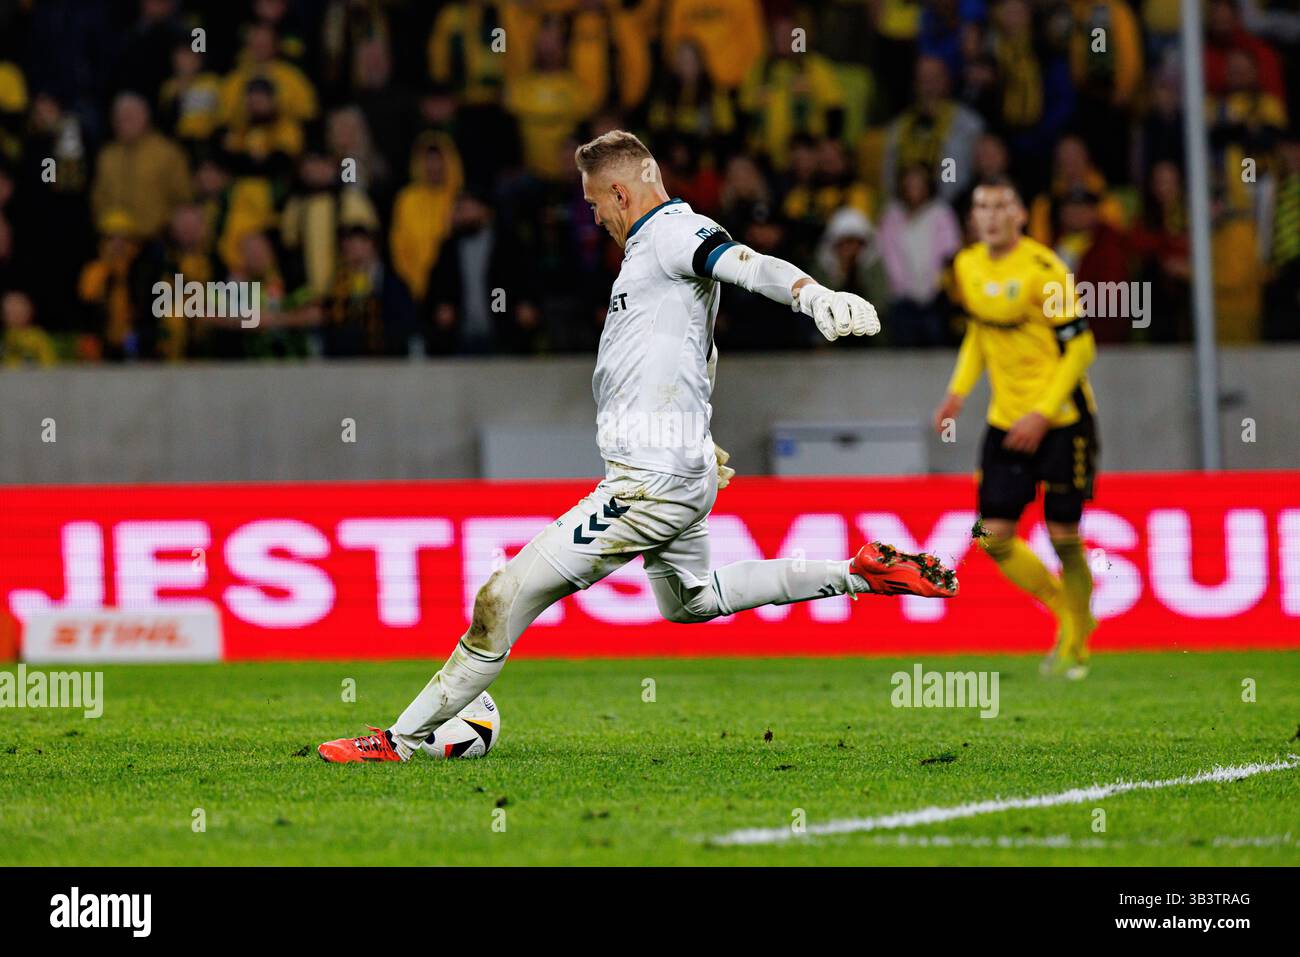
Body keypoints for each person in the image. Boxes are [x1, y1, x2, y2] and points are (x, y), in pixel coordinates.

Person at [318, 130, 958, 763]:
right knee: (692, 600)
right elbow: (692, 356)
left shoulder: (673, 233)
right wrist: (696, 442)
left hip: (649, 480)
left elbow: (745, 263)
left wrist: (809, 294)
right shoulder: (654, 261)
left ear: (621, 192)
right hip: (675, 467)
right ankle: (858, 573)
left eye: (596, 205)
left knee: (502, 596)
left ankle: (397, 742)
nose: (594, 218)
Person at [932, 176, 1100, 679]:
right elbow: (982, 334)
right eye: (981, 206)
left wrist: (1042, 412)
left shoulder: (1044, 270)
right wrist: (957, 391)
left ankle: (1078, 633)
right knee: (992, 535)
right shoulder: (966, 265)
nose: (990, 215)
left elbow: (1082, 349)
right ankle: (1067, 612)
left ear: (1021, 215)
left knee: (1064, 535)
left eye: (1002, 205)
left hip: (1062, 420)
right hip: (1005, 421)